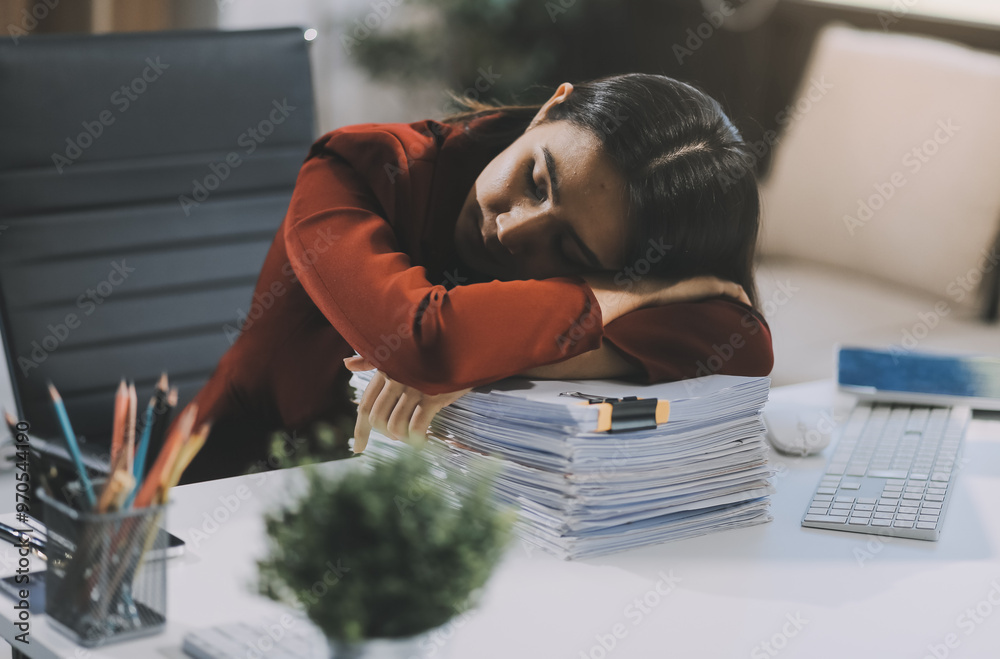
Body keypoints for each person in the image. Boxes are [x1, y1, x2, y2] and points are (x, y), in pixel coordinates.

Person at [175, 73, 773, 484]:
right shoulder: (356, 168)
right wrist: (632, 295)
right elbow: (425, 342)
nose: (513, 231)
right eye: (536, 179)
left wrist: (492, 354)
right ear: (550, 107)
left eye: (566, 247)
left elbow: (743, 342)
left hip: (436, 519)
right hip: (226, 494)